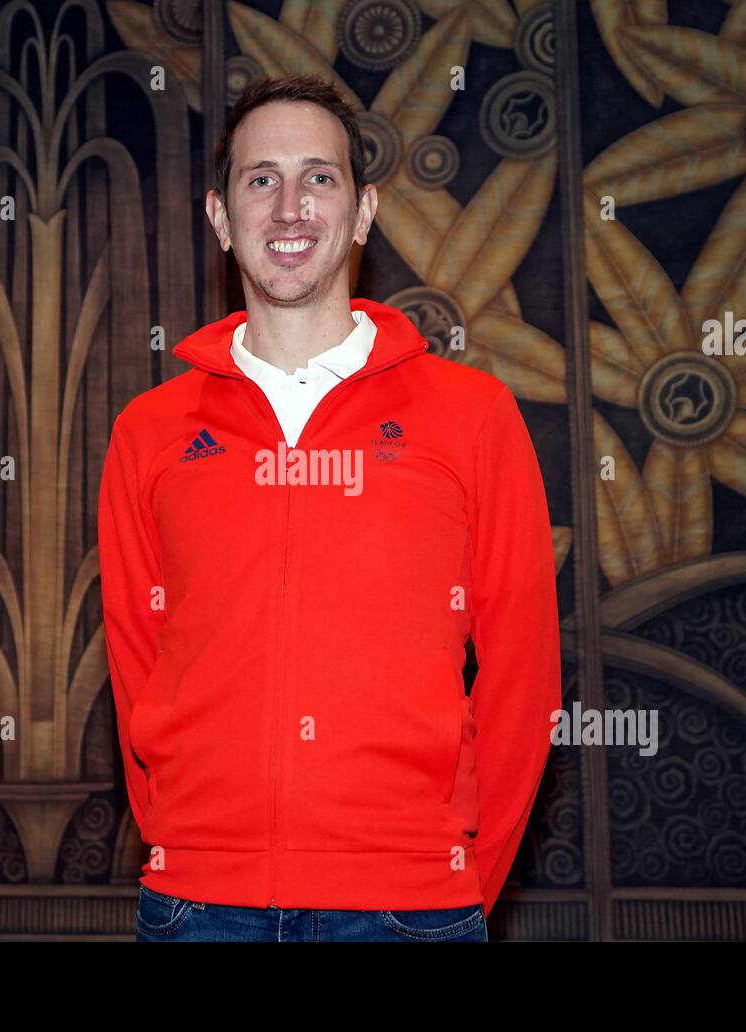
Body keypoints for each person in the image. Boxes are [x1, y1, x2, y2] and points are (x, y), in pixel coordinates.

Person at [97, 75, 560, 942]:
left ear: (362, 211)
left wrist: (453, 882)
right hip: (200, 904)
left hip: (408, 905)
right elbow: (135, 664)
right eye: (260, 179)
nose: (291, 207)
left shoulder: (472, 415)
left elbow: (524, 674)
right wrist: (187, 843)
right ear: (221, 217)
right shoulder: (149, 432)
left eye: (320, 178)